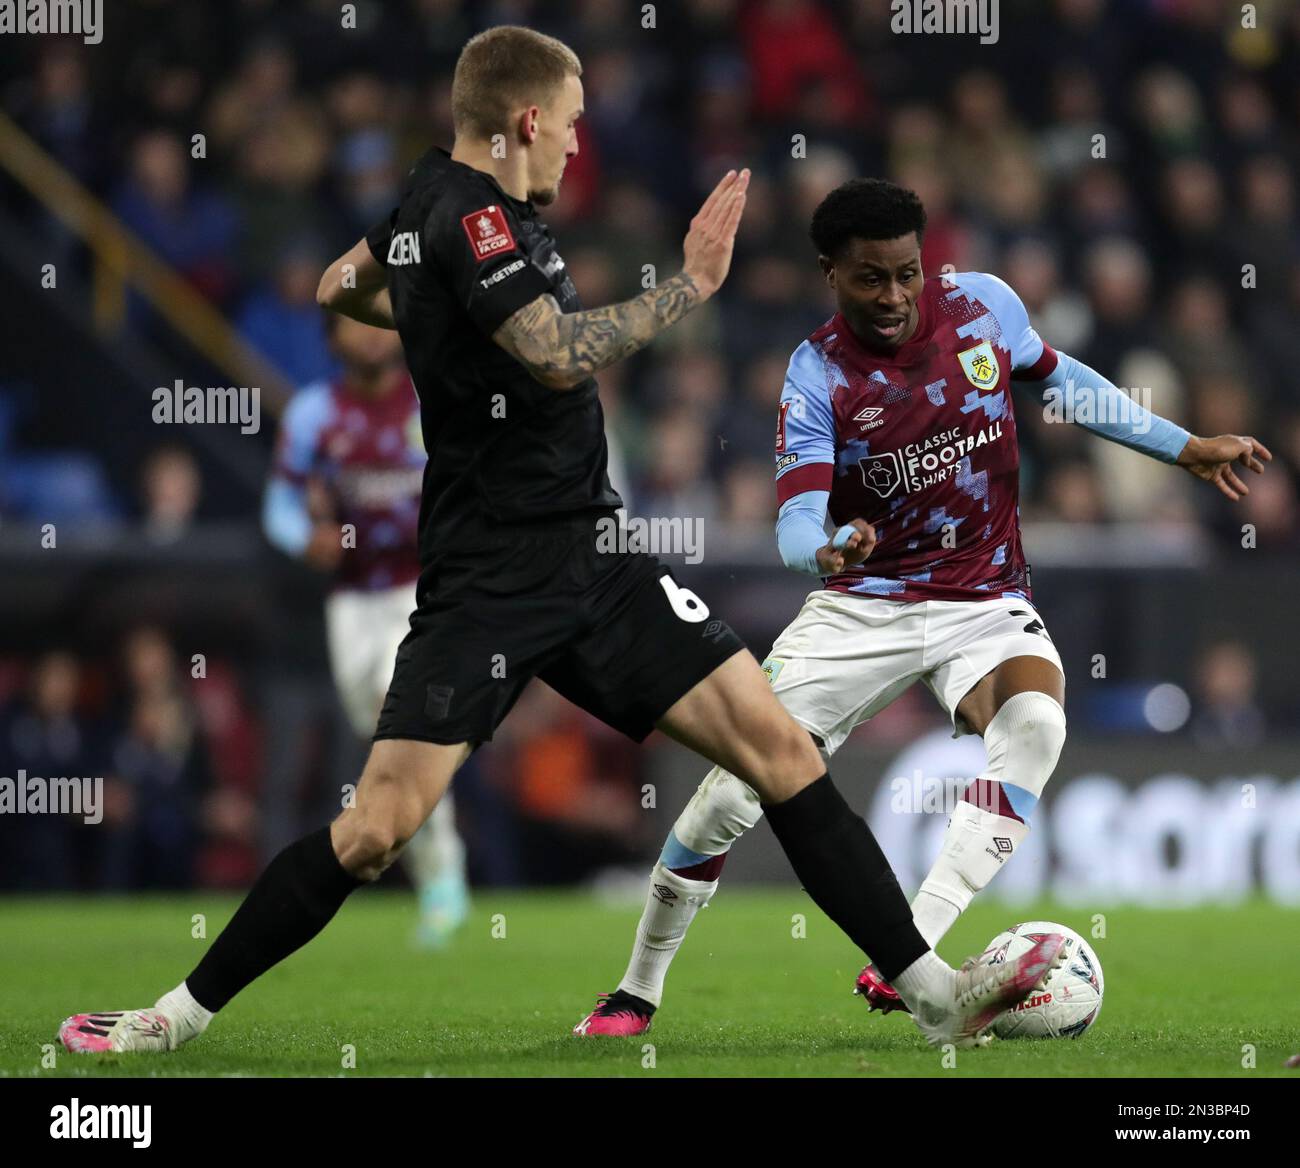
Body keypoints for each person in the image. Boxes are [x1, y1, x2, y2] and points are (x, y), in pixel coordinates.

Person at [59, 28, 1064, 1060]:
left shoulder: (420, 203)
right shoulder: (475, 218)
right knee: (375, 829)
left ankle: (935, 993)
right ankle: (169, 1018)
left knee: (783, 752)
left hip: (595, 558)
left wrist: (431, 318)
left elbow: (335, 289)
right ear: (527, 120)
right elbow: (552, 356)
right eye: (573, 124)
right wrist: (689, 286)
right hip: (489, 579)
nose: (578, 146)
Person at [575, 177, 1271, 1036]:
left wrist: (1184, 447)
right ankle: (637, 989)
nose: (896, 296)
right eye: (871, 279)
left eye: (908, 272)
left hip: (984, 598)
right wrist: (826, 550)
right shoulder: (817, 372)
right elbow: (795, 518)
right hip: (863, 605)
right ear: (830, 272)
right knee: (726, 799)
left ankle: (910, 952)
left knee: (1038, 725)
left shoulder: (983, 308)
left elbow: (1062, 381)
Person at [262, 312, 469, 946]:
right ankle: (436, 874)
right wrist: (308, 538)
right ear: (332, 340)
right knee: (380, 741)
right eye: (353, 326)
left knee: (397, 723)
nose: (371, 335)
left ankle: (443, 884)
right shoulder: (313, 414)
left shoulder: (434, 399)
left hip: (420, 590)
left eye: (379, 323)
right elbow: (280, 505)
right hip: (350, 601)